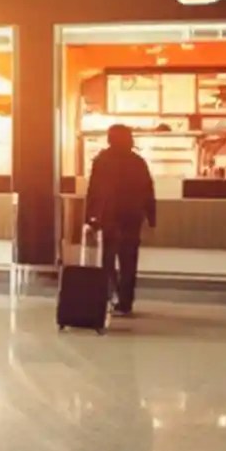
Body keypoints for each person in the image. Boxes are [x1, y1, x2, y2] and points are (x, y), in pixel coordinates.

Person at [85, 124, 156, 316]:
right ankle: (126, 301)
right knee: (129, 261)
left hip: (108, 217)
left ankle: (109, 295)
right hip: (132, 217)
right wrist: (151, 217)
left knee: (108, 260)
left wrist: (90, 216)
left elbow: (93, 190)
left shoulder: (102, 160)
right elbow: (148, 190)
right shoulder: (137, 162)